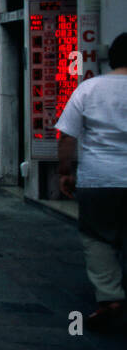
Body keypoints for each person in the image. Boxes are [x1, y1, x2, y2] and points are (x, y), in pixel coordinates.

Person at [57, 32, 127, 330]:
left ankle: (110, 296)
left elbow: (67, 135)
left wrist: (66, 172)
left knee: (97, 239)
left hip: (98, 178)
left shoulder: (89, 89)